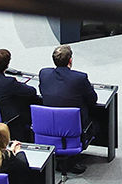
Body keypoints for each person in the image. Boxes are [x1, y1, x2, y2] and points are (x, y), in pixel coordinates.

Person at [38, 45, 98, 174]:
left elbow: (42, 91)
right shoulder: (80, 78)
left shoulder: (44, 73)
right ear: (70, 61)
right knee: (96, 120)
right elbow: (93, 100)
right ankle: (72, 160)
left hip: (48, 126)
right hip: (73, 128)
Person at [0, 49, 40, 142]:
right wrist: (19, 84)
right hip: (6, 123)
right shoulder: (9, 83)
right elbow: (32, 92)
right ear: (7, 65)